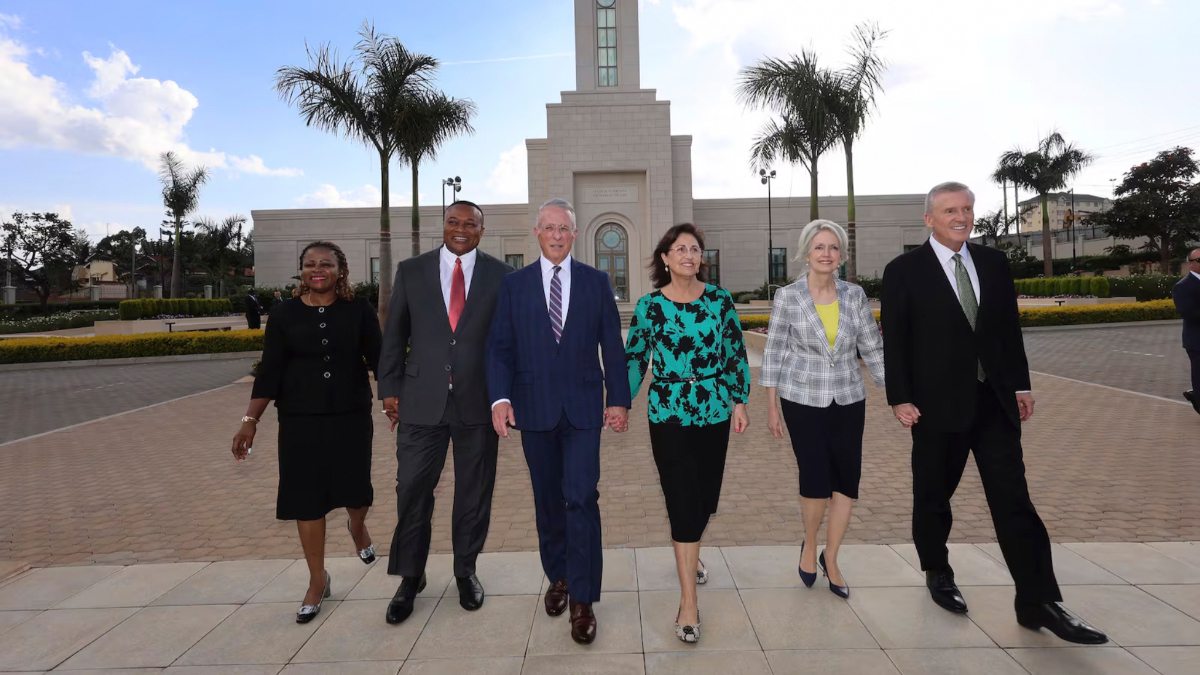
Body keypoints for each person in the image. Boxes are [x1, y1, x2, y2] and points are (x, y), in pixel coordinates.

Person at [882, 182, 1107, 644]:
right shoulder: (904, 270)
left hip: (995, 402)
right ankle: (937, 569)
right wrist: (899, 397)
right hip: (935, 407)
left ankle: (1038, 600)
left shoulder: (993, 263)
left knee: (1014, 500)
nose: (961, 217)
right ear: (930, 219)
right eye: (950, 211)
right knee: (933, 494)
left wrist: (1021, 383)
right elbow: (896, 339)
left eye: (966, 209)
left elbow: (1008, 329)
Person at [486, 198, 631, 645]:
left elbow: (612, 344)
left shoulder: (596, 282)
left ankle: (584, 599)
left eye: (563, 228)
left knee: (582, 497)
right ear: (537, 233)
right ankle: (560, 577)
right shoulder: (515, 286)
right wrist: (500, 399)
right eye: (548, 227)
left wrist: (619, 400)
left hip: (585, 411)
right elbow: (500, 348)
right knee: (548, 500)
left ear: (573, 233)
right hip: (534, 409)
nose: (555, 234)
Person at [378, 201, 514, 625]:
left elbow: (508, 343)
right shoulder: (412, 269)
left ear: (481, 230)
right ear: (444, 226)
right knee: (412, 488)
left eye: (469, 224)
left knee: (474, 492)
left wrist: (507, 396)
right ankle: (410, 576)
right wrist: (389, 388)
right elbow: (395, 330)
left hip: (479, 401)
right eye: (453, 222)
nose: (460, 229)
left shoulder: (501, 276)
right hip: (421, 400)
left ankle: (465, 571)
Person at [231, 241, 382, 624]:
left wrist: (394, 399)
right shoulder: (284, 315)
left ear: (341, 270)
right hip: (299, 420)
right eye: (311, 264)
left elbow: (380, 359)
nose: (318, 270)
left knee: (357, 491)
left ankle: (357, 526)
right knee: (306, 500)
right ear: (302, 271)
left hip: (349, 416)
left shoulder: (359, 310)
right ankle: (318, 580)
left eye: (326, 264)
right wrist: (250, 421)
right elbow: (271, 370)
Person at [625, 223, 750, 643]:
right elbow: (637, 358)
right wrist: (618, 402)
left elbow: (733, 352)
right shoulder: (649, 307)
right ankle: (689, 604)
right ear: (665, 258)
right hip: (669, 413)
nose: (689, 255)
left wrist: (739, 400)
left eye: (695, 249)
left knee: (704, 499)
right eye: (680, 249)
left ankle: (691, 548)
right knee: (681, 497)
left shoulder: (719, 301)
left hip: (714, 409)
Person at [761, 219, 884, 601]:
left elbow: (872, 349)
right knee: (815, 478)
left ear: (841, 255)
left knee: (846, 480)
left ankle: (832, 557)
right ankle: (810, 544)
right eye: (819, 247)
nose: (827, 254)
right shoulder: (788, 296)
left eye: (833, 247)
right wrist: (771, 407)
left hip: (849, 398)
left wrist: (899, 394)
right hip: (802, 399)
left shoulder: (854, 295)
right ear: (806, 252)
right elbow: (774, 352)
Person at [1174, 249, 1200, 415]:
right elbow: (1188, 313)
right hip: (1197, 341)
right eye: (1199, 260)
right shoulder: (1183, 286)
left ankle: (1194, 395)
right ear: (1190, 263)